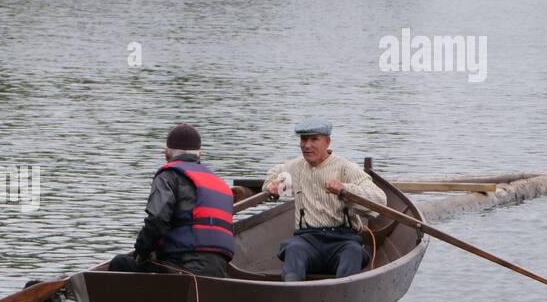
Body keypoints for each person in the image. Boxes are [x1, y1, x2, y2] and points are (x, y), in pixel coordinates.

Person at [263, 119, 386, 281]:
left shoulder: (345, 168)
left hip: (343, 240)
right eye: (303, 139)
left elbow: (380, 200)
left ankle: (343, 295)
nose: (307, 145)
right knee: (293, 249)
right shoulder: (294, 167)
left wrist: (345, 190)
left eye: (314, 139)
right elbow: (273, 176)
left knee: (353, 252)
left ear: (327, 142)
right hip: (307, 239)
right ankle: (292, 293)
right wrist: (271, 188)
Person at [109, 122, 235, 278]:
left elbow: (157, 220)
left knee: (120, 263)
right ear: (200, 153)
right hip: (219, 270)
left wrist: (141, 252)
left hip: (182, 266)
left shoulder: (168, 177)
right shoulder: (220, 183)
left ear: (166, 153)